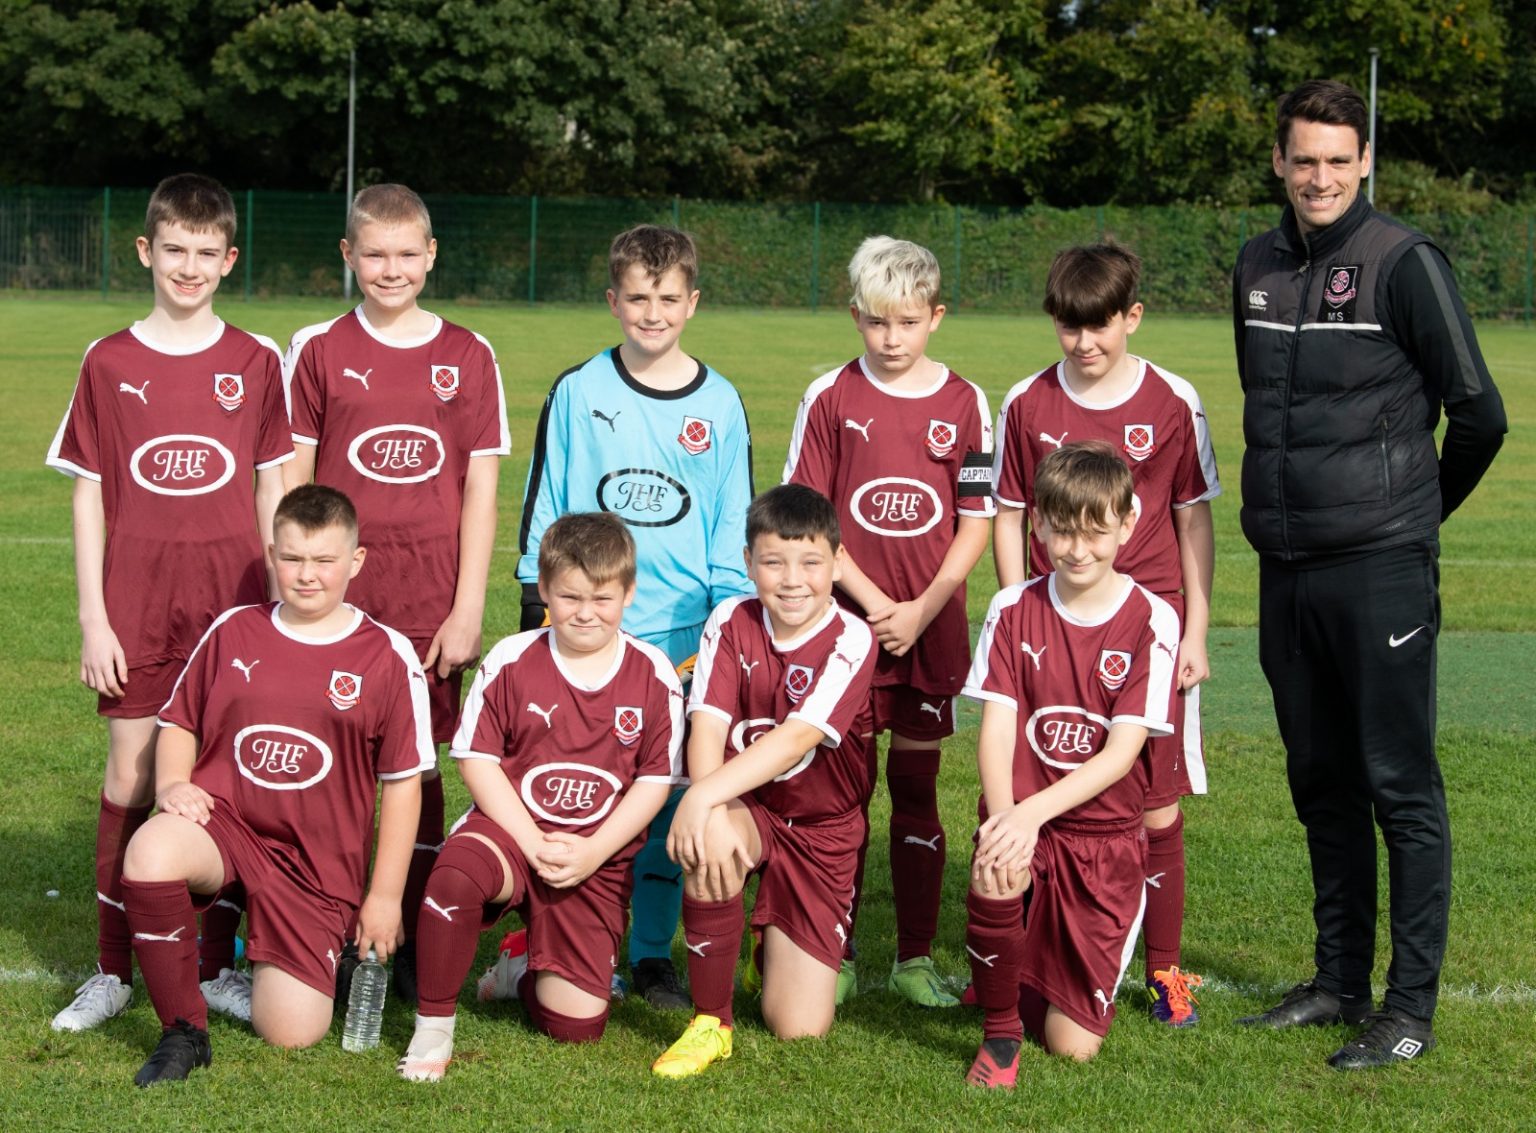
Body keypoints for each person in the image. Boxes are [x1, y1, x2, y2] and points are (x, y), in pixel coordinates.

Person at [1231, 79, 1506, 1069]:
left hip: (1382, 567)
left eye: (1338, 161)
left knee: (1400, 783)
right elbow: (1267, 402)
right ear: (1279, 161)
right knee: (1321, 781)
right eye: (1303, 158)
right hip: (1286, 570)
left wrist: (1413, 517)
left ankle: (1409, 1010)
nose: (1319, 177)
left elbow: (1481, 412)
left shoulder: (1404, 262)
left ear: (1364, 164)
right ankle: (1337, 979)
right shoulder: (1255, 265)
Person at [45, 173, 292, 1032]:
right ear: (147, 250)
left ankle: (216, 964)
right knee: (133, 775)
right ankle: (113, 970)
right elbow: (88, 495)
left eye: (206, 253)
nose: (189, 268)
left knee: (221, 785)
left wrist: (279, 608)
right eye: (173, 251)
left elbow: (272, 489)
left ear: (229, 259)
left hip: (231, 611)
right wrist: (92, 616)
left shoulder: (257, 361)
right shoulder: (108, 360)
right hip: (138, 609)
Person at [119, 484, 433, 1086]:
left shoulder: (386, 656)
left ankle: (294, 959)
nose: (307, 575)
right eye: (292, 558)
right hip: (228, 824)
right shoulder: (236, 629)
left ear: (356, 562)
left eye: (324, 561)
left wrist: (385, 897)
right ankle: (183, 1031)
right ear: (271, 554)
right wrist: (171, 784)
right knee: (151, 851)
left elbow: (402, 785)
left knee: (292, 1034)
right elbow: (180, 720)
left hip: (315, 862)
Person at [516, 224, 755, 1010]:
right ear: (613, 299)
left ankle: (651, 954)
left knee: (663, 800)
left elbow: (730, 519)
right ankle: (550, 942)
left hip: (683, 637)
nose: (652, 313)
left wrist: (726, 621)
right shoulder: (579, 389)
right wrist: (533, 605)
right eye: (637, 298)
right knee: (569, 790)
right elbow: (546, 503)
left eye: (668, 298)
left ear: (693, 302)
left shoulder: (719, 403)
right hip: (587, 630)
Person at [284, 183, 510, 1000]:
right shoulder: (317, 348)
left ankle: (411, 932)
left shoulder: (470, 353)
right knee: (331, 766)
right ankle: (326, 925)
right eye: (373, 254)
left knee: (416, 771)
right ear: (348, 256)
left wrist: (467, 606)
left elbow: (479, 490)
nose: (391, 269)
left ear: (431, 256)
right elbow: (296, 482)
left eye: (406, 254)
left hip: (427, 606)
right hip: (335, 603)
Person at [992, 243, 1219, 1025]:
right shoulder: (1026, 401)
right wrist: (1013, 608)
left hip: (1146, 631)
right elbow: (1012, 512)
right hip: (1047, 627)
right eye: (1068, 327)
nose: (1084, 343)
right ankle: (1018, 960)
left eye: (1100, 327)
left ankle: (1166, 973)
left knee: (1153, 808)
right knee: (1035, 791)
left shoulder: (1172, 399)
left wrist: (1195, 627)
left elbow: (1193, 515)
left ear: (1133, 317)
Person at [397, 513, 683, 1080]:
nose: (584, 611)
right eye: (569, 596)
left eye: (602, 598)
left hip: (595, 852)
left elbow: (655, 782)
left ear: (628, 592)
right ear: (545, 591)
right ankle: (433, 1027)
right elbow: (476, 759)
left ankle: (522, 967)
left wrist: (595, 851)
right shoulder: (512, 658)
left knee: (576, 1030)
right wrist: (529, 840)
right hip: (511, 831)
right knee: (454, 876)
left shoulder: (654, 675)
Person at [782, 235, 993, 1007]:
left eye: (906, 322)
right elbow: (808, 523)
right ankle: (828, 953)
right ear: (855, 316)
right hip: (846, 634)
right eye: (875, 323)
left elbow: (975, 521)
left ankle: (910, 957)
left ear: (936, 315)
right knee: (837, 799)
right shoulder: (830, 397)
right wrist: (875, 608)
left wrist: (922, 609)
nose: (890, 338)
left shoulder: (967, 402)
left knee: (916, 788)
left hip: (930, 628)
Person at [962, 442, 1180, 1086]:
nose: (1077, 550)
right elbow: (997, 730)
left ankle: (1030, 981)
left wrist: (1028, 814)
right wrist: (1005, 823)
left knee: (1071, 1047)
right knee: (997, 862)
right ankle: (1000, 1040)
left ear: (1126, 525)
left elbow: (1122, 752)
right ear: (1037, 526)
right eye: (1061, 532)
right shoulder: (1012, 608)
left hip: (1100, 843)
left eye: (1095, 533)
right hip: (1027, 820)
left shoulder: (1152, 619)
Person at [650, 484, 878, 1078]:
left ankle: (763, 947)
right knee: (709, 841)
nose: (792, 579)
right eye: (773, 562)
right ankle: (710, 1023)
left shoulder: (852, 637)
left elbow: (799, 737)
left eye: (810, 562)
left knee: (799, 1028)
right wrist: (709, 805)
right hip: (749, 807)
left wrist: (699, 795)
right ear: (748, 563)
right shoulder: (731, 618)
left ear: (836, 563)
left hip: (824, 829)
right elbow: (707, 725)